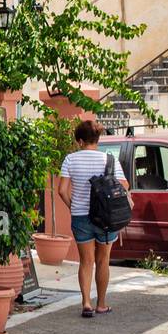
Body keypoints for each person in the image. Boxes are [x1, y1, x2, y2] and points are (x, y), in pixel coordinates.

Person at [58, 119, 131, 317]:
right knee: (103, 260)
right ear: (97, 139)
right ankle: (102, 304)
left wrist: (73, 206)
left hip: (80, 216)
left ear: (80, 141)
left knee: (86, 261)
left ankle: (86, 303)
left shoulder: (70, 159)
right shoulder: (109, 159)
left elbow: (62, 190)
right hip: (106, 217)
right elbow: (124, 185)